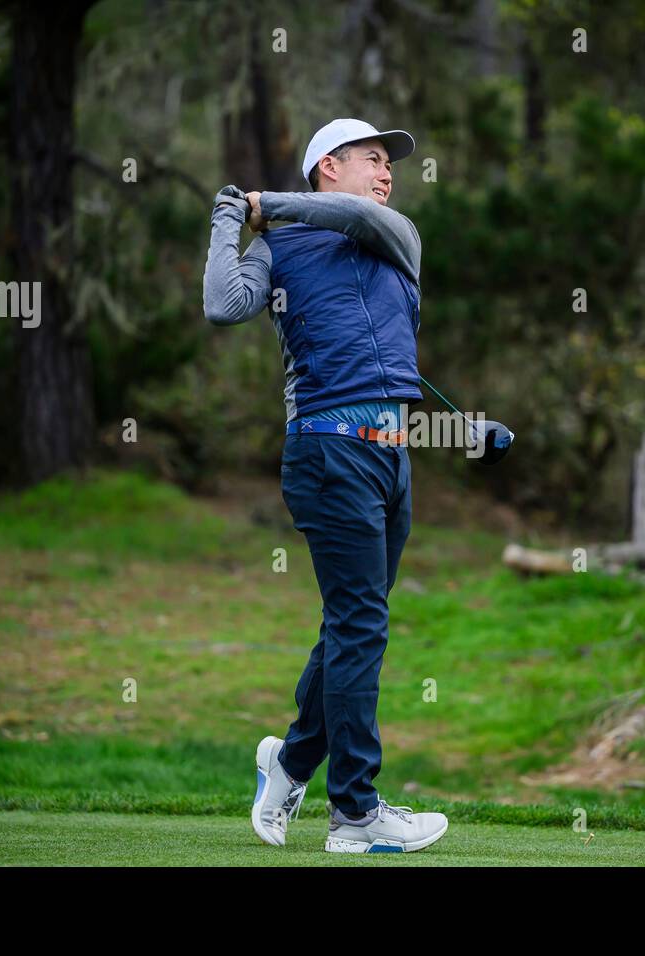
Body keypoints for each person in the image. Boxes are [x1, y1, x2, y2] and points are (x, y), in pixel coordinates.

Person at [202, 118, 448, 854]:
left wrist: (266, 201)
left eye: (389, 163)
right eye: (373, 159)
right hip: (328, 448)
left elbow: (358, 217)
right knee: (361, 624)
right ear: (327, 166)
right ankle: (355, 813)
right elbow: (223, 302)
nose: (388, 172)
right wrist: (227, 217)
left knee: (354, 621)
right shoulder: (279, 249)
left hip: (391, 458)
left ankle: (290, 762)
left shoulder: (391, 232)